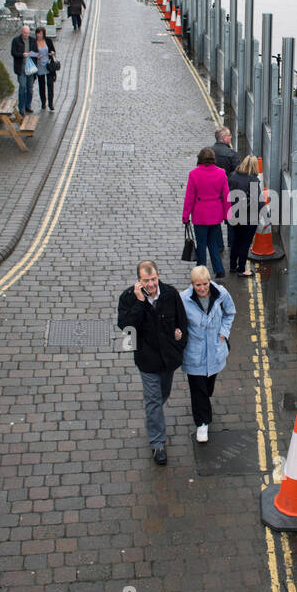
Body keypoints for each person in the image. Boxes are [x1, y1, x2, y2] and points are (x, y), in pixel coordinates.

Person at [116, 261, 188, 465]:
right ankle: (158, 444)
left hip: (168, 360)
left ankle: (152, 413)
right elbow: (127, 328)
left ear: (158, 276)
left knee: (163, 394)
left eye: (153, 279)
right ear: (139, 281)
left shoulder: (170, 294)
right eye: (146, 281)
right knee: (154, 400)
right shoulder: (128, 298)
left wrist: (179, 344)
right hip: (147, 361)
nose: (151, 284)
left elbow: (182, 321)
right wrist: (140, 303)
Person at [180, 265, 235, 442]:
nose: (202, 288)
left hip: (215, 350)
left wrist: (223, 334)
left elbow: (230, 313)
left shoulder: (221, 294)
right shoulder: (183, 299)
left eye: (205, 284)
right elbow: (177, 321)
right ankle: (202, 423)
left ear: (209, 281)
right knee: (198, 391)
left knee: (207, 387)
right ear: (192, 285)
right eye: (198, 285)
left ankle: (204, 404)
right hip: (194, 353)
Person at [183, 147, 229, 279]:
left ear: (200, 159)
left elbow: (189, 197)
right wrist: (227, 215)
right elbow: (226, 196)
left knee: (201, 243)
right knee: (213, 242)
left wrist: (185, 216)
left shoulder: (194, 174)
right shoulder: (221, 173)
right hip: (215, 214)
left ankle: (201, 270)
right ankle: (219, 270)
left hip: (200, 215)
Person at [227, 155, 262, 276]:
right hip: (248, 218)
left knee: (236, 241)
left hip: (233, 215)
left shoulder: (232, 176)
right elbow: (257, 201)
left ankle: (232, 266)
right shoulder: (253, 180)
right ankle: (241, 269)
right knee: (245, 244)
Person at [10, 23, 35, 115]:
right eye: (25, 33)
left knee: (30, 89)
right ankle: (21, 108)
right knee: (22, 88)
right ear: (21, 32)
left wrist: (33, 54)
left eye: (28, 33)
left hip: (30, 69)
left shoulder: (32, 40)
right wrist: (22, 55)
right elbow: (13, 53)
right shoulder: (16, 40)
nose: (26, 35)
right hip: (21, 68)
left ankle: (28, 105)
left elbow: (36, 52)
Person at [34, 26, 56, 111]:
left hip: (48, 66)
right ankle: (43, 102)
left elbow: (53, 50)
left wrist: (52, 53)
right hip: (39, 66)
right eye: (38, 33)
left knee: (50, 85)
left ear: (43, 34)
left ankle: (50, 104)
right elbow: (31, 53)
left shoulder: (48, 41)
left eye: (40, 33)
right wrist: (36, 55)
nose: (39, 35)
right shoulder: (34, 42)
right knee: (41, 86)